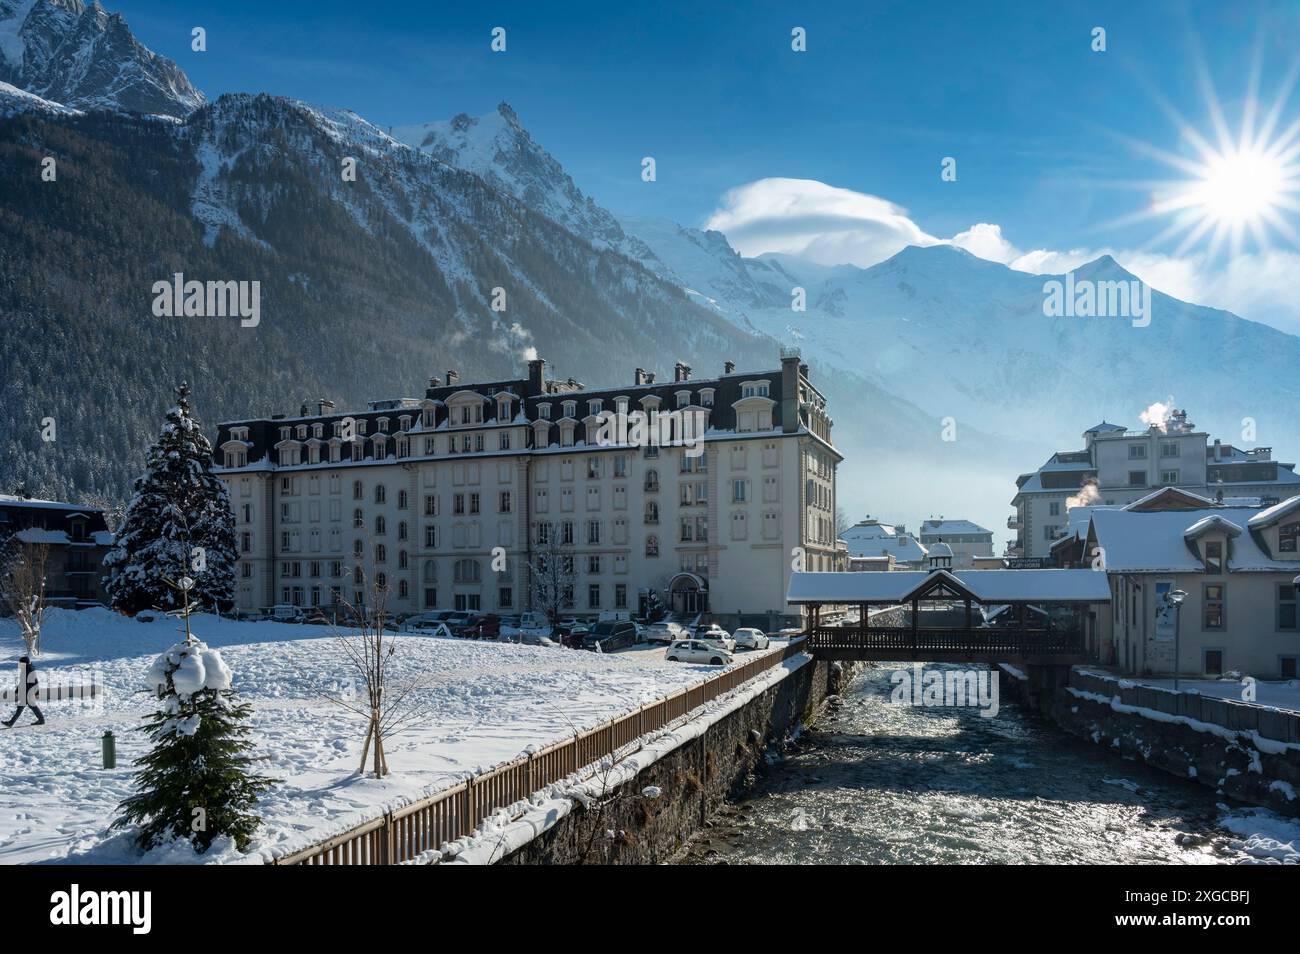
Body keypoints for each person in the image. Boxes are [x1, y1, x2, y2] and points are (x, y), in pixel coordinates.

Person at [2, 655, 45, 727]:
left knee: (24, 707)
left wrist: (37, 693)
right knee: (27, 707)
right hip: (26, 692)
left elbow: (36, 682)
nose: (20, 664)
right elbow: (22, 682)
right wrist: (17, 691)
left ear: (25, 663)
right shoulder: (26, 669)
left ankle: (11, 723)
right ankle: (41, 720)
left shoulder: (30, 670)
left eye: (21, 663)